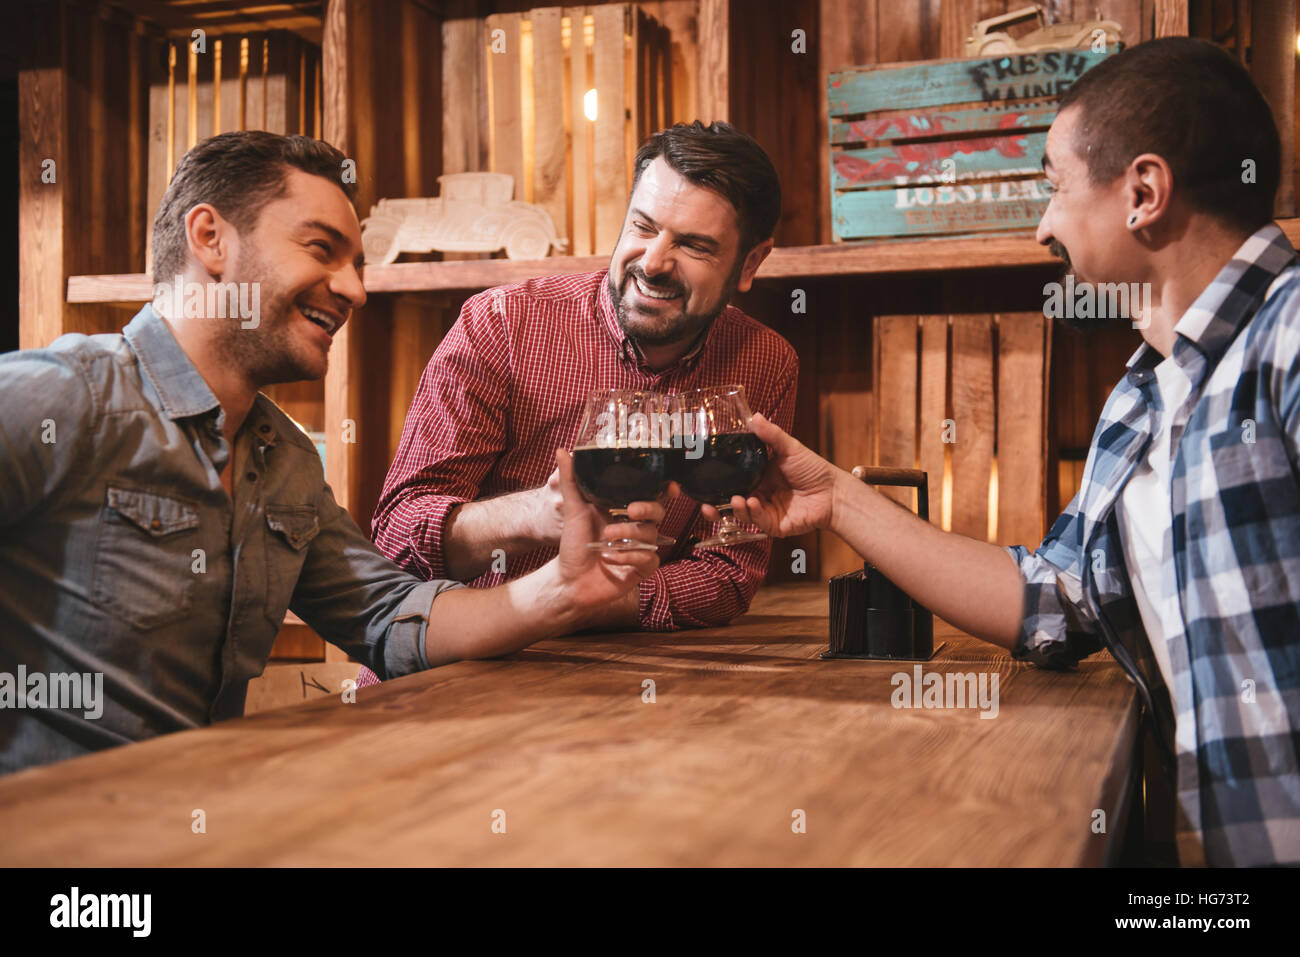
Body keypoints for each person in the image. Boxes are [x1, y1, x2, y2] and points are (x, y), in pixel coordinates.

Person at [703, 38, 1300, 867]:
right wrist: (834, 495)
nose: (1043, 223)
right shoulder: (1142, 398)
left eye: (1055, 187)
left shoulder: (1289, 333)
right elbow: (1052, 600)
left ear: (1144, 192)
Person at [0, 131, 669, 775]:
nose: (355, 289)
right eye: (322, 250)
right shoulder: (68, 398)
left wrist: (561, 588)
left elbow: (388, 618)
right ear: (209, 238)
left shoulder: (285, 459)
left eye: (357, 264)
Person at [370, 121, 798, 639]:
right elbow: (397, 539)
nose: (654, 262)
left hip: (617, 680)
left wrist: (589, 598)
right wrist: (537, 513)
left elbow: (728, 576)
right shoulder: (503, 324)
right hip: (460, 665)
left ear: (750, 263)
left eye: (694, 246)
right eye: (642, 227)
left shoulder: (766, 362)